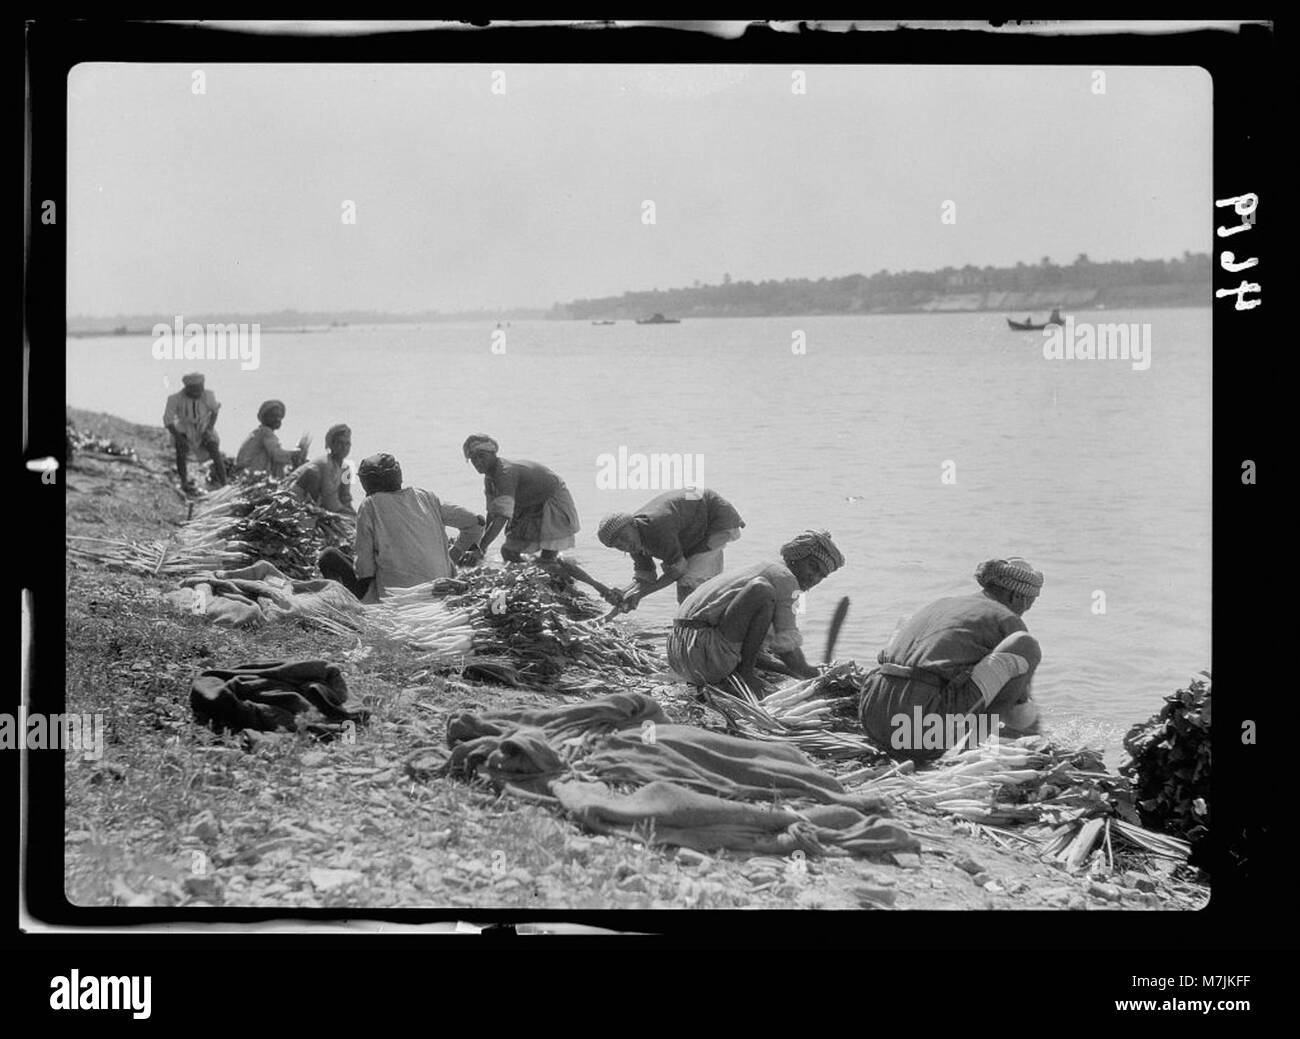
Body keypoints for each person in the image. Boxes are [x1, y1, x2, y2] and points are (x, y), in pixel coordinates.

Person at [857, 557, 1044, 760]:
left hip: (872, 721)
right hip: (918, 735)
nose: (1025, 611)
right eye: (1029, 605)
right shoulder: (1007, 619)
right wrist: (1035, 732)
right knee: (1025, 646)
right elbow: (1019, 710)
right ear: (1017, 596)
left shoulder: (941, 603)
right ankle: (976, 744)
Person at [666, 529, 845, 698]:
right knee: (761, 590)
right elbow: (787, 650)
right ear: (797, 557)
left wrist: (793, 671)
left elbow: (753, 647)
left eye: (822, 575)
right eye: (812, 567)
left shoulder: (766, 567)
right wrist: (816, 676)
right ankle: (745, 674)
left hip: (679, 654)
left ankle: (745, 670)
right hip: (702, 656)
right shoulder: (785, 578)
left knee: (765, 604)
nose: (814, 578)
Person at [317, 453, 484, 603]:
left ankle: (355, 606)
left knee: (328, 556)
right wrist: (454, 553)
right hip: (442, 589)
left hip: (396, 598)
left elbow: (365, 568)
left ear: (367, 483)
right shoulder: (426, 497)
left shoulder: (370, 505)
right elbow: (476, 523)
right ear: (398, 476)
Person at [597, 488, 745, 609]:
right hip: (691, 522)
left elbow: (677, 570)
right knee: (697, 589)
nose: (625, 544)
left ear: (632, 524)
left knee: (688, 586)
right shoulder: (634, 542)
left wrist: (640, 594)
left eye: (624, 537)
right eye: (618, 545)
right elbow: (646, 576)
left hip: (714, 517)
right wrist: (625, 592)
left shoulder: (657, 528)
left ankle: (706, 626)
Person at [458, 435, 580, 566]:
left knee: (547, 556)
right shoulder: (489, 478)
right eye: (473, 459)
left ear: (493, 454)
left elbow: (502, 517)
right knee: (509, 553)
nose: (477, 462)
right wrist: (482, 548)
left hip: (551, 500)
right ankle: (534, 568)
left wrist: (482, 547)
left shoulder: (505, 473)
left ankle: (556, 570)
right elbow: (492, 514)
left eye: (482, 456)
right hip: (526, 506)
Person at [162, 372, 227, 492]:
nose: (197, 393)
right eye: (194, 390)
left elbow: (214, 411)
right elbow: (168, 421)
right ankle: (184, 481)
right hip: (184, 428)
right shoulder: (174, 399)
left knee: (213, 448)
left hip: (203, 427)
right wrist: (180, 439)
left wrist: (209, 429)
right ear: (187, 388)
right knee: (180, 450)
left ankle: (224, 484)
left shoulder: (208, 395)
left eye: (200, 388)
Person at [289, 423, 356, 515]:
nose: (344, 447)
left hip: (329, 505)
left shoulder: (346, 469)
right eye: (340, 443)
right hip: (293, 497)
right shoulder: (325, 464)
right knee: (313, 472)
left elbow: (345, 498)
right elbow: (328, 499)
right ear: (331, 445)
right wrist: (344, 512)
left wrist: (353, 514)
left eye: (347, 444)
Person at [236, 400, 310, 478]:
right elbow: (277, 454)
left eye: (279, 417)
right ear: (264, 417)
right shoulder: (265, 432)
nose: (278, 419)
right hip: (252, 474)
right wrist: (296, 454)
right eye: (273, 416)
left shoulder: (258, 432)